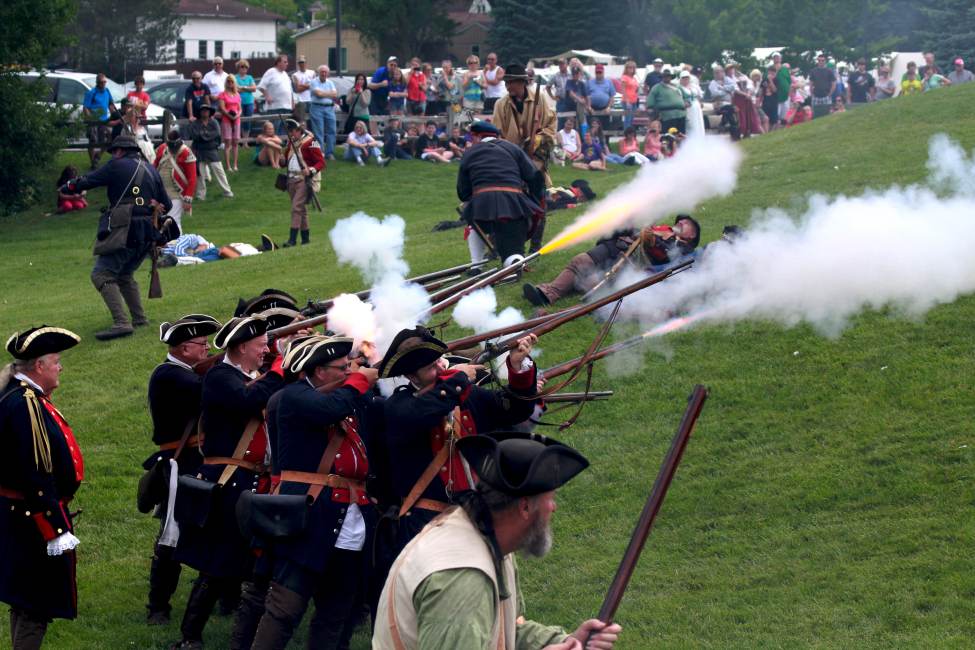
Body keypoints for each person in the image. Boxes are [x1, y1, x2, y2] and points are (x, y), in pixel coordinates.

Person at [373, 430, 622, 650]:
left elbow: (502, 629)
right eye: (551, 498)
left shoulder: (486, 538)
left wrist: (563, 642)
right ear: (525, 507)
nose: (553, 507)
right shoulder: (463, 584)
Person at [248, 336, 380, 649]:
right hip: (308, 520)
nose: (347, 372)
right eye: (341, 368)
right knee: (284, 609)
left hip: (347, 520)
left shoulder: (342, 400)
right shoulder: (294, 396)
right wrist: (360, 380)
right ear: (319, 372)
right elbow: (329, 408)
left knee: (337, 610)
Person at [373, 329, 540, 568]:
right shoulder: (398, 407)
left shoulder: (465, 396)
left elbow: (515, 410)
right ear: (412, 376)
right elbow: (423, 413)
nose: (441, 367)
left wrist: (517, 366)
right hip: (427, 522)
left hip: (478, 516)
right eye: (431, 366)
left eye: (440, 360)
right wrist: (459, 380)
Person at [170, 314, 286, 650]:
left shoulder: (250, 376)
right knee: (216, 564)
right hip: (228, 481)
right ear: (241, 347)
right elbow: (250, 400)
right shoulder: (220, 376)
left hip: (249, 480)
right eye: (261, 345)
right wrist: (280, 367)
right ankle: (190, 636)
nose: (265, 349)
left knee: (248, 562)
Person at [0, 327, 85, 649]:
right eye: (56, 361)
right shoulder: (25, 404)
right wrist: (55, 526)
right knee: (36, 603)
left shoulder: (18, 395)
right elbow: (35, 472)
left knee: (24, 600)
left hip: (20, 515)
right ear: (39, 366)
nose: (60, 367)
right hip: (31, 519)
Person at [143, 315, 221, 625]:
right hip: (180, 463)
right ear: (184, 348)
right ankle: (157, 607)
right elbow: (208, 392)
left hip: (197, 460)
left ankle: (226, 597)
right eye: (202, 345)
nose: (206, 350)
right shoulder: (169, 375)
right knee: (171, 537)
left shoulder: (183, 372)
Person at [59, 134, 172, 340]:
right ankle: (139, 318)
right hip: (148, 231)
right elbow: (168, 205)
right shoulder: (151, 170)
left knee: (101, 275)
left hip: (125, 229)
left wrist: (68, 187)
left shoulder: (116, 165)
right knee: (125, 274)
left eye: (114, 152)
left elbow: (88, 181)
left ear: (119, 151)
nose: (113, 156)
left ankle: (122, 323)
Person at [523, 215, 701, 307]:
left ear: (692, 235)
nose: (682, 221)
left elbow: (669, 259)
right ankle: (548, 293)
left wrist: (654, 241)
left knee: (590, 281)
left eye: (687, 223)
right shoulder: (663, 228)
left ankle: (557, 291)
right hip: (617, 246)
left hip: (631, 266)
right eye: (681, 220)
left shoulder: (685, 248)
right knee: (580, 261)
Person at [457, 121, 544, 264]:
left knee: (473, 220)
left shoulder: (469, 154)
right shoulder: (513, 149)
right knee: (513, 250)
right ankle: (514, 260)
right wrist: (534, 200)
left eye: (472, 138)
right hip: (514, 204)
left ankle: (476, 265)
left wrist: (474, 201)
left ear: (478, 137)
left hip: (482, 206)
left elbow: (463, 192)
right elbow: (534, 177)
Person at [492, 63, 556, 181]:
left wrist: (536, 141)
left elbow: (550, 125)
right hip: (510, 156)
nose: (507, 86)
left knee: (537, 186)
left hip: (535, 155)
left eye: (510, 82)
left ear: (521, 82)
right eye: (506, 83)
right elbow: (496, 134)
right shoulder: (500, 104)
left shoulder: (540, 98)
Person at [283, 118, 325, 247]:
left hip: (304, 180)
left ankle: (292, 240)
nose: (290, 134)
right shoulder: (291, 143)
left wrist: (311, 170)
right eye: (289, 132)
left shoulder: (312, 142)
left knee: (296, 208)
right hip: (291, 179)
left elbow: (321, 162)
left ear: (298, 130)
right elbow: (286, 160)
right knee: (302, 210)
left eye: (292, 131)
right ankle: (305, 239)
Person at [153, 129, 197, 230]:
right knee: (160, 220)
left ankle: (177, 244)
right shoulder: (162, 148)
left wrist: (188, 199)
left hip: (177, 192)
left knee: (173, 221)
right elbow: (155, 165)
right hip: (160, 192)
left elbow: (192, 178)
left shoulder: (186, 152)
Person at [190, 103, 233, 200]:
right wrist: (207, 136)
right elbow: (195, 136)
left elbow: (216, 134)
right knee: (200, 174)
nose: (205, 112)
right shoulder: (195, 124)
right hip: (199, 151)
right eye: (203, 110)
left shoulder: (214, 122)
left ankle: (227, 191)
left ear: (209, 112)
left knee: (219, 171)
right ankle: (201, 195)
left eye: (207, 110)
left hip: (212, 150)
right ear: (200, 112)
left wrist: (203, 135)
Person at [82, 73, 116, 169]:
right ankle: (93, 162)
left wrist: (114, 113)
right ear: (97, 83)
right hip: (93, 120)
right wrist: (90, 119)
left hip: (104, 120)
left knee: (109, 138)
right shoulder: (92, 93)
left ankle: (98, 156)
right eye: (101, 82)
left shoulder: (107, 91)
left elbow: (110, 104)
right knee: (93, 141)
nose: (103, 84)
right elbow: (85, 107)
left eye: (105, 82)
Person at [258, 55, 294, 134]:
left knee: (285, 131)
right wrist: (267, 96)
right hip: (275, 107)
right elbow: (261, 86)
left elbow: (290, 90)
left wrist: (292, 103)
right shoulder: (271, 71)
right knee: (273, 130)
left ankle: (281, 146)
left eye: (287, 62)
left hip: (287, 107)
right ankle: (271, 146)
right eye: (285, 62)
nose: (287, 64)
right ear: (278, 63)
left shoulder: (285, 74)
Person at [308, 64, 338, 160]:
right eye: (322, 72)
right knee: (318, 132)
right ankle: (320, 153)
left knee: (332, 131)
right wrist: (328, 94)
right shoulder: (313, 82)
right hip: (317, 108)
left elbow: (335, 94)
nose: (324, 74)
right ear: (318, 73)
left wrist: (323, 94)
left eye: (325, 72)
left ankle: (329, 153)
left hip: (329, 108)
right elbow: (318, 94)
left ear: (328, 73)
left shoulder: (330, 82)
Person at [646, 67, 687, 134]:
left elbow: (686, 96)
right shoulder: (657, 87)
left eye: (668, 76)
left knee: (680, 135)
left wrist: (686, 102)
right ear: (662, 77)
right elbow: (651, 99)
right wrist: (650, 109)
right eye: (665, 76)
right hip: (666, 115)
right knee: (668, 136)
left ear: (671, 77)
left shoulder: (677, 87)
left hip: (681, 114)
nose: (667, 78)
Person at [217, 75, 243, 172]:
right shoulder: (222, 94)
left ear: (234, 83)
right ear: (226, 82)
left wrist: (237, 115)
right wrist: (229, 115)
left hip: (236, 119)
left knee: (235, 142)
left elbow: (240, 109)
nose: (230, 83)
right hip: (226, 119)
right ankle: (228, 166)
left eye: (232, 81)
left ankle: (235, 164)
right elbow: (222, 108)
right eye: (228, 81)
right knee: (228, 142)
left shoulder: (237, 94)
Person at [586, 64, 616, 135]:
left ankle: (605, 144)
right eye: (597, 73)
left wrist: (609, 107)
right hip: (592, 109)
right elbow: (587, 96)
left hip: (605, 109)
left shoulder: (609, 82)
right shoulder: (589, 82)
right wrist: (589, 107)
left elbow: (612, 97)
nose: (599, 74)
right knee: (592, 130)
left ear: (603, 72)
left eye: (600, 72)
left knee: (605, 129)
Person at [234, 60, 258, 141]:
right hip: (238, 102)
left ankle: (245, 141)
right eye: (242, 67)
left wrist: (243, 88)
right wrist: (248, 88)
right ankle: (238, 140)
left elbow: (254, 88)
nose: (244, 69)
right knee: (238, 121)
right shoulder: (235, 77)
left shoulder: (250, 77)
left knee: (248, 121)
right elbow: (235, 89)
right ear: (238, 68)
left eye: (246, 67)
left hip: (249, 102)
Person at [809, 54, 836, 118]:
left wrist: (829, 94)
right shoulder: (813, 71)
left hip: (826, 96)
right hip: (816, 96)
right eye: (819, 60)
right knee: (815, 114)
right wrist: (812, 94)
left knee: (827, 115)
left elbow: (834, 83)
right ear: (817, 61)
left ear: (825, 61)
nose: (821, 62)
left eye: (822, 60)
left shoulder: (829, 71)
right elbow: (811, 84)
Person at [438, 59, 462, 130]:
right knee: (443, 122)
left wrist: (445, 77)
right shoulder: (440, 77)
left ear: (450, 67)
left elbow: (450, 86)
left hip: (455, 102)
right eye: (443, 67)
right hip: (443, 102)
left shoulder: (455, 77)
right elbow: (438, 88)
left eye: (446, 67)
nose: (444, 69)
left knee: (455, 121)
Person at [565, 65, 590, 135]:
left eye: (576, 73)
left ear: (579, 74)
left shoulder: (582, 83)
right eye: (574, 73)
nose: (575, 75)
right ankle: (584, 130)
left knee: (581, 105)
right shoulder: (569, 82)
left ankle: (584, 133)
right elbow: (570, 93)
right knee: (580, 103)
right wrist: (580, 100)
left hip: (580, 107)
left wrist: (588, 106)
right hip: (570, 105)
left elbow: (586, 96)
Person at [681, 69, 706, 138]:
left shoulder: (694, 86)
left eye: (687, 78)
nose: (686, 80)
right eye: (684, 78)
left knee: (699, 123)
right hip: (689, 108)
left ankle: (700, 138)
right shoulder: (680, 88)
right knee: (691, 124)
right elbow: (679, 97)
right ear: (681, 79)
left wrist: (700, 101)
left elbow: (699, 95)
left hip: (696, 106)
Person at [547, 58, 571, 129]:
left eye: (563, 64)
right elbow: (548, 86)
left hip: (570, 100)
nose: (561, 65)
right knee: (560, 121)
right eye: (560, 64)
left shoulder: (571, 75)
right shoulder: (555, 76)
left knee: (571, 120)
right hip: (560, 101)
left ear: (566, 65)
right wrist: (553, 97)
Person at [292, 55, 315, 125]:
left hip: (311, 100)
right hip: (301, 101)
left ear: (306, 63)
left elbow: (314, 86)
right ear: (298, 64)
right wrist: (309, 85)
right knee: (302, 121)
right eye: (300, 62)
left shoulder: (312, 72)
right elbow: (298, 89)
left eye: (303, 62)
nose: (302, 64)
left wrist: (302, 85)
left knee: (313, 120)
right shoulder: (295, 75)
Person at [462, 55, 485, 120]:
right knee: (468, 119)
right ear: (468, 64)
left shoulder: (481, 73)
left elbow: (485, 86)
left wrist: (478, 82)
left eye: (475, 62)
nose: (473, 64)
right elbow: (464, 88)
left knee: (478, 118)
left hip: (479, 99)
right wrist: (469, 79)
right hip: (468, 100)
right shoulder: (465, 74)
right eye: (471, 63)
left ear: (478, 63)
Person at [620, 60, 640, 130]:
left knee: (632, 120)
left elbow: (636, 89)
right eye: (629, 68)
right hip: (627, 101)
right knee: (627, 119)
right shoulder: (624, 77)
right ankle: (626, 134)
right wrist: (627, 101)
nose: (631, 69)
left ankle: (631, 134)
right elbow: (623, 90)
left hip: (634, 101)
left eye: (633, 68)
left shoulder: (634, 78)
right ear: (626, 69)